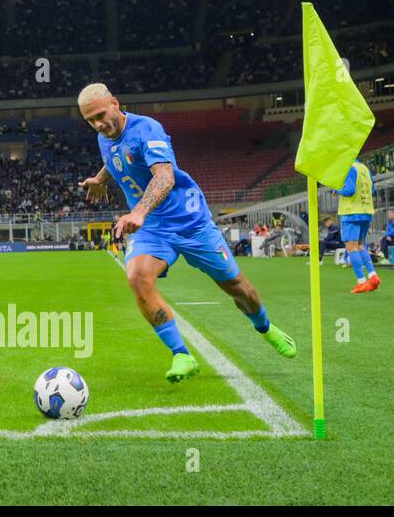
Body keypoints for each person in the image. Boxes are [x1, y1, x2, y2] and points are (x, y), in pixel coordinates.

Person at [76, 83, 296, 384]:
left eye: (101, 115)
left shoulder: (148, 129)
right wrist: (101, 178)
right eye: (91, 121)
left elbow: (164, 177)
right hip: (154, 229)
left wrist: (138, 211)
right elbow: (115, 155)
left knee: (237, 287)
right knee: (137, 276)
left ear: (115, 103)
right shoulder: (104, 137)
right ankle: (182, 354)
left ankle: (266, 327)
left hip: (190, 222)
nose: (99, 124)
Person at [337, 160, 380, 293]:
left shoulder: (349, 167)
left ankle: (361, 282)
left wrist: (336, 189)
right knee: (361, 245)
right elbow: (372, 189)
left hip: (351, 213)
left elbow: (349, 190)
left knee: (352, 248)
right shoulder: (364, 168)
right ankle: (373, 276)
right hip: (366, 211)